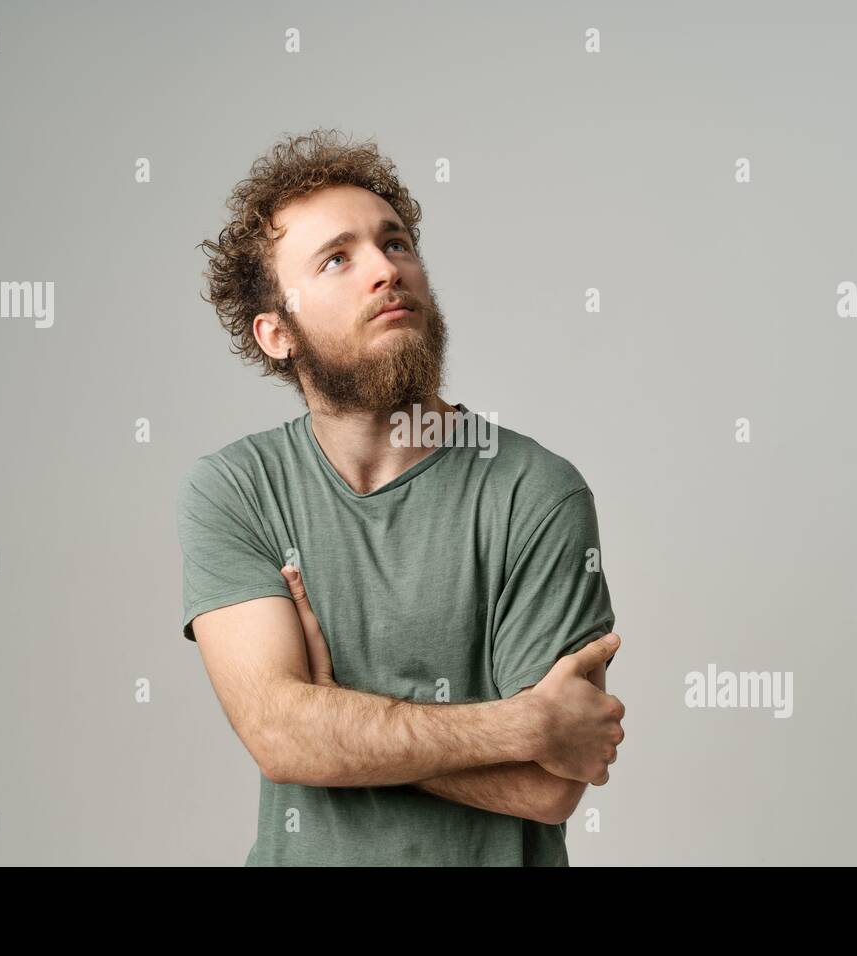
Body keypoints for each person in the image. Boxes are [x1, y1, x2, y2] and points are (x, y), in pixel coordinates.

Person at [177, 128, 625, 866]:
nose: (385, 270)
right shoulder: (236, 490)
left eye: (396, 243)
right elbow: (282, 737)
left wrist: (334, 709)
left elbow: (551, 786)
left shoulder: (536, 492)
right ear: (276, 332)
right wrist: (522, 725)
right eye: (337, 259)